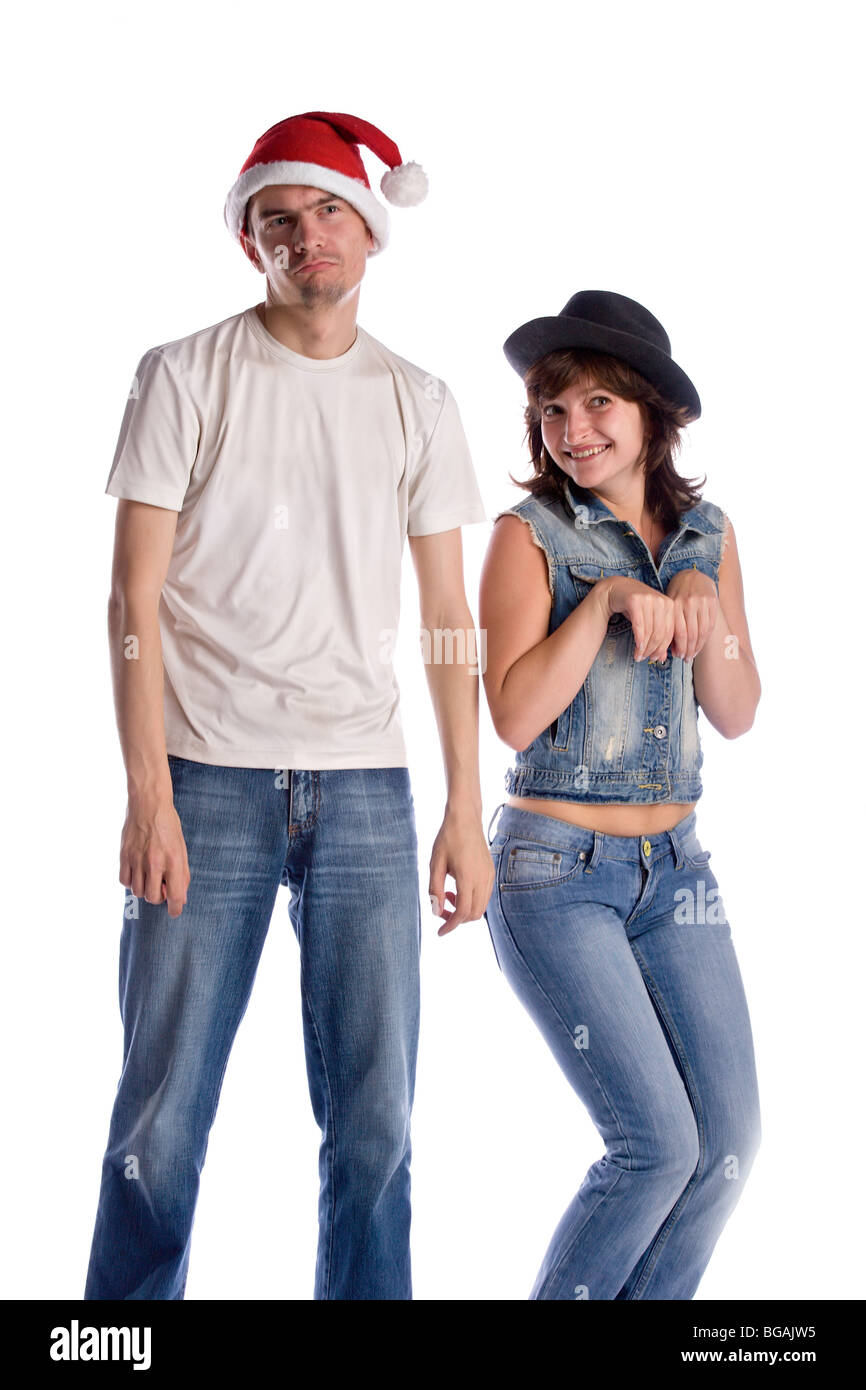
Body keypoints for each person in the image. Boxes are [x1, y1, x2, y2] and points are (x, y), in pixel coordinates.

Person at [84, 110, 493, 1302]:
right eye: (279, 220)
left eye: (327, 213)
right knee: (159, 1117)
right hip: (205, 776)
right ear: (249, 244)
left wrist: (464, 806)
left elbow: (446, 619)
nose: (305, 237)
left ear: (370, 230)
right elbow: (131, 594)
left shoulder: (418, 399)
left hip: (365, 782)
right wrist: (147, 793)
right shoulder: (184, 373)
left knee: (374, 1127)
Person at [479, 290, 762, 1300]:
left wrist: (701, 596)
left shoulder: (707, 534)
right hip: (555, 872)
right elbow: (512, 715)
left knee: (724, 1143)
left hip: (674, 871)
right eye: (552, 411)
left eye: (596, 403)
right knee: (651, 1146)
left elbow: (733, 710)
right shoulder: (528, 537)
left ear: (650, 414)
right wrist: (602, 600)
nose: (572, 430)